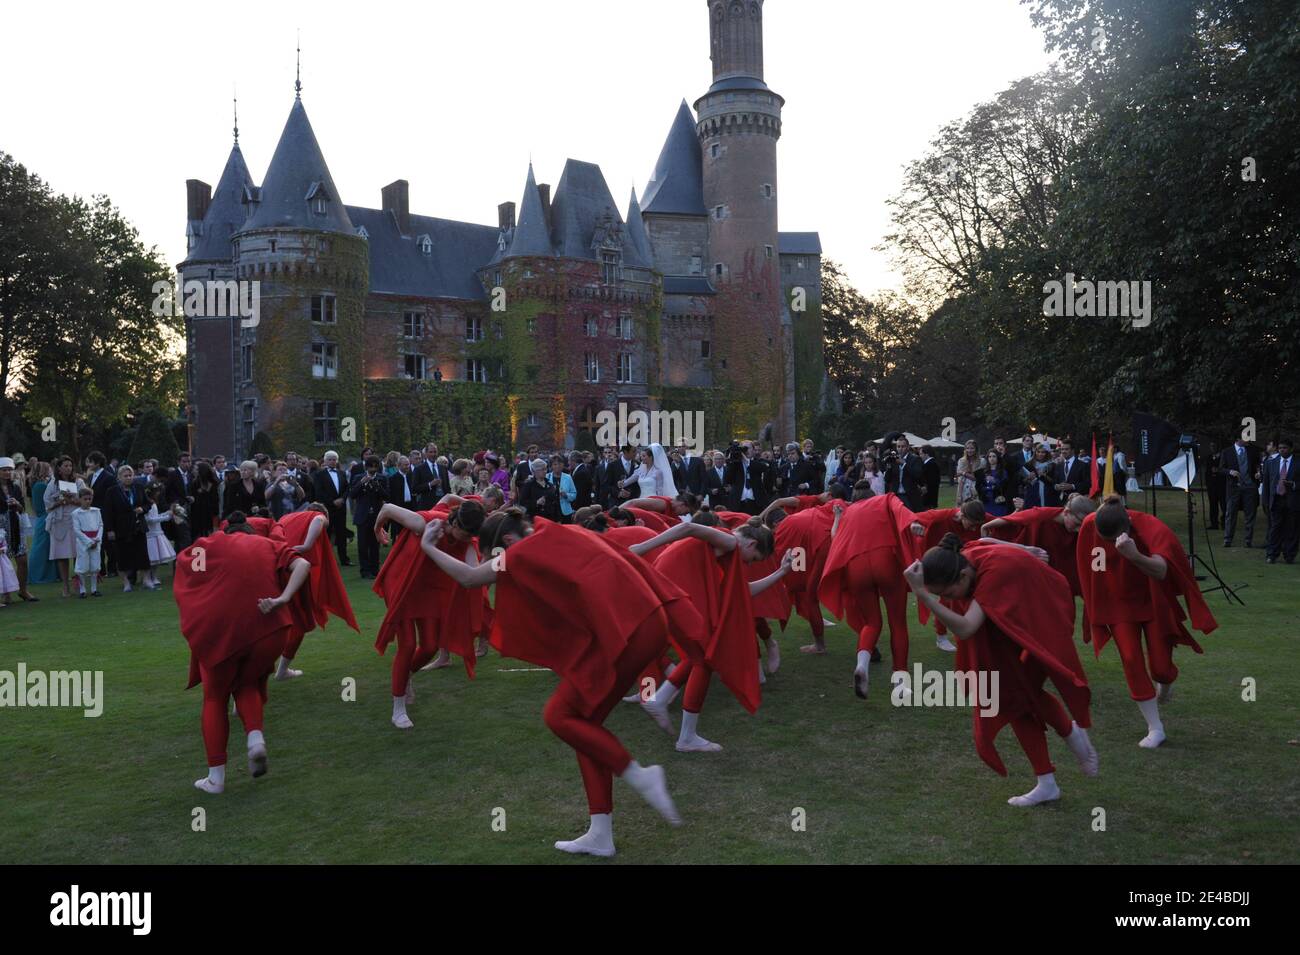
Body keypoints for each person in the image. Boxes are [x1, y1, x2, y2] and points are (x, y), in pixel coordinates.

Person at [419, 509, 696, 857]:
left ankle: (640, 774)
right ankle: (600, 833)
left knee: (559, 716)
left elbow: (472, 578)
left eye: (497, 555)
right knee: (584, 727)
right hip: (646, 621)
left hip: (631, 627)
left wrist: (429, 546)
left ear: (506, 542)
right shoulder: (561, 530)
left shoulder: (520, 550)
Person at [903, 535, 1098, 807]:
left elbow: (966, 627)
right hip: (1006, 616)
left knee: (1020, 693)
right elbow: (984, 537)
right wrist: (1024, 548)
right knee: (1008, 697)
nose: (945, 600)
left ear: (962, 577)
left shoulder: (994, 576)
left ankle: (1071, 736)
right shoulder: (962, 554)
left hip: (1041, 614)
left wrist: (923, 596)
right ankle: (1047, 781)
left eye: (946, 594)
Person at [173, 518, 313, 793]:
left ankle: (216, 779)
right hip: (270, 629)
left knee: (215, 697)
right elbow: (304, 565)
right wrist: (283, 599)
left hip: (221, 632)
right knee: (249, 683)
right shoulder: (270, 545)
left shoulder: (210, 543)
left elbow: (185, 564)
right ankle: (255, 739)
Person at [634, 520, 793, 753]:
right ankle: (683, 734)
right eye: (754, 558)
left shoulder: (725, 551)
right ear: (751, 543)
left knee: (698, 655)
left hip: (666, 593)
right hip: (669, 593)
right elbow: (688, 527)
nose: (749, 564)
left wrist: (782, 572)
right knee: (704, 660)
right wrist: (641, 547)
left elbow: (745, 591)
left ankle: (658, 700)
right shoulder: (729, 542)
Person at [1076, 496, 1218, 748]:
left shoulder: (1154, 528)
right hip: (1118, 604)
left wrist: (1134, 556)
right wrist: (1096, 604)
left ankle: (1165, 682)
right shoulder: (1090, 524)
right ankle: (1155, 727)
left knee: (1161, 669)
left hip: (1152, 600)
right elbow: (1091, 566)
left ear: (1128, 524)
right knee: (1130, 658)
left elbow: (1162, 570)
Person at [372, 498, 486, 728]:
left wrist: (501, 561)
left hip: (429, 590)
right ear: (454, 522)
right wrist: (378, 530)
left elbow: (473, 576)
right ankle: (398, 707)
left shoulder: (467, 539)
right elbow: (386, 508)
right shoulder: (425, 523)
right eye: (465, 534)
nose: (466, 539)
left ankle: (406, 676)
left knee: (430, 646)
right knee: (406, 644)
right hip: (402, 583)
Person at [818, 491, 918, 699]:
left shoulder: (848, 512)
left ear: (854, 499)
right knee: (897, 623)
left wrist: (837, 517)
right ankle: (901, 683)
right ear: (873, 495)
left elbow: (835, 537)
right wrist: (915, 522)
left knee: (871, 623)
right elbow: (901, 511)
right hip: (886, 560)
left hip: (857, 567)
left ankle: (862, 665)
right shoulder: (886, 498)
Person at [271, 503, 359, 680]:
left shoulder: (285, 518)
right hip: (294, 573)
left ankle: (271, 671)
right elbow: (319, 520)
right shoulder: (317, 516)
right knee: (300, 623)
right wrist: (306, 546)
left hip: (276, 571)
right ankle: (280, 670)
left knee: (275, 623)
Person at [981, 494, 1097, 602]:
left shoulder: (1081, 532)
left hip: (1061, 578)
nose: (1079, 530)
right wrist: (987, 526)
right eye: (1077, 524)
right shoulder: (1041, 516)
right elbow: (1015, 519)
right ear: (1066, 512)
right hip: (1036, 578)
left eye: (1082, 526)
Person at [908, 500, 987, 652]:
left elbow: (1000, 521)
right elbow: (913, 517)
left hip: (960, 564)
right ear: (962, 516)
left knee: (960, 599)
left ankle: (960, 632)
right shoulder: (942, 516)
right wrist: (914, 524)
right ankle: (941, 636)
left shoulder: (977, 518)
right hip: (939, 563)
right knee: (946, 598)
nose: (974, 528)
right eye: (971, 524)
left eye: (977, 525)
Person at [103, 465, 150, 592]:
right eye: (126, 476)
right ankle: (126, 583)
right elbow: (108, 512)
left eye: (130, 475)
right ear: (119, 477)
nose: (129, 478)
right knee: (122, 556)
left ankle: (146, 580)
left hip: (138, 525)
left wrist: (142, 509)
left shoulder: (139, 488)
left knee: (143, 554)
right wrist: (110, 530)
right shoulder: (112, 491)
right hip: (121, 528)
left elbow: (147, 503)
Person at [0, 457, 36, 602]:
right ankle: (6, 593)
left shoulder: (15, 487)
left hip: (15, 525)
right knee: (3, 562)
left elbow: (22, 508)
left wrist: (16, 504)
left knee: (22, 559)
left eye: (9, 470)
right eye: (4, 470)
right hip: (1, 528)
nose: (7, 473)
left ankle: (23, 590)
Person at [348, 455, 389, 579]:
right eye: (371, 466)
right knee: (362, 545)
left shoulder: (382, 478)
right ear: (366, 466)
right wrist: (362, 483)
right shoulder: (358, 477)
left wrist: (377, 486)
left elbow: (386, 495)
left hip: (376, 515)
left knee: (375, 544)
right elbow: (352, 494)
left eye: (376, 466)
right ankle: (365, 570)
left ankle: (375, 569)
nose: (373, 469)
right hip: (362, 515)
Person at [312, 451, 351, 567]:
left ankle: (344, 559)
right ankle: (326, 561)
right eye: (330, 459)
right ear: (325, 461)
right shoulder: (319, 475)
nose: (333, 461)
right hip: (328, 509)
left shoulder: (342, 473)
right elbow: (319, 492)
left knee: (341, 534)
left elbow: (347, 489)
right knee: (327, 535)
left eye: (334, 459)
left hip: (341, 509)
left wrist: (342, 499)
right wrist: (333, 502)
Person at [1262, 438, 1298, 564]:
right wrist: (1265, 501)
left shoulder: (1298, 463)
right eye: (1280, 448)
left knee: (1291, 529)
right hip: (1276, 500)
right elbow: (1266, 483)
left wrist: (1293, 484)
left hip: (1292, 500)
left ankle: (1289, 555)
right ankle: (1272, 554)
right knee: (1274, 528)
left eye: (1285, 448)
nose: (1282, 450)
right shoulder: (1270, 462)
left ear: (1291, 449)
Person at [142, 482, 178, 590]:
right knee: (152, 558)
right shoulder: (147, 504)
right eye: (157, 491)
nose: (158, 493)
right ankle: (149, 577)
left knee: (157, 558)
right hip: (151, 533)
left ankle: (154, 576)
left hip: (157, 532)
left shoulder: (154, 503)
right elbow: (149, 519)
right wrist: (166, 517)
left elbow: (155, 517)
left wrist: (165, 514)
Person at [71, 487, 103, 598]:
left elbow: (100, 525)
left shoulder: (97, 511)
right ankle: (82, 590)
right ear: (80, 499)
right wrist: (89, 542)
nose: (88, 501)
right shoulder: (76, 513)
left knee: (95, 565)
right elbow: (77, 530)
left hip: (96, 540)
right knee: (82, 566)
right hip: (83, 542)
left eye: (90, 498)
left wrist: (97, 539)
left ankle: (94, 589)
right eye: (85, 499)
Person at [883, 435, 925, 511]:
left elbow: (917, 475)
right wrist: (889, 467)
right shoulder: (893, 459)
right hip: (895, 496)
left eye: (903, 446)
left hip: (909, 496)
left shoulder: (915, 459)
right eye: (898, 446)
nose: (900, 449)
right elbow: (887, 480)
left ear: (908, 447)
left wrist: (904, 464)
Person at [980, 450, 1011, 517]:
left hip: (999, 500)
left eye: (994, 456)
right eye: (989, 456)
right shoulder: (984, 472)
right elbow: (980, 486)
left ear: (998, 458)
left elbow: (1005, 487)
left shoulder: (1003, 472)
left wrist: (995, 481)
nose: (991, 458)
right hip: (987, 500)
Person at [547, 455, 578, 522]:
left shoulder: (568, 477)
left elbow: (574, 494)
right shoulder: (547, 477)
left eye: (560, 464)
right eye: (555, 464)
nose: (557, 466)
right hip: (551, 511)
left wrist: (566, 495)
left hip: (565, 512)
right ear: (551, 466)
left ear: (563, 465)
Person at [954, 440, 983, 504]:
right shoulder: (961, 461)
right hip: (964, 490)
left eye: (972, 448)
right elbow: (959, 478)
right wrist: (959, 496)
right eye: (967, 448)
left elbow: (977, 478)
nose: (969, 450)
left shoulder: (981, 461)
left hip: (976, 490)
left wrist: (963, 473)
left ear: (976, 449)